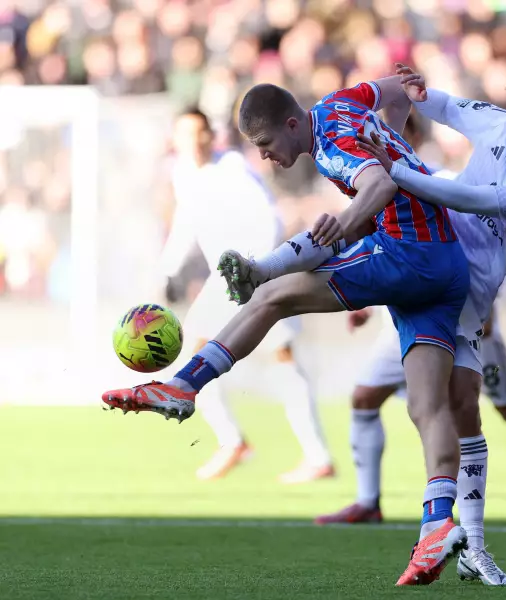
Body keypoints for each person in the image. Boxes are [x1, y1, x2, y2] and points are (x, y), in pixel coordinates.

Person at [102, 76, 472, 586]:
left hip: (408, 252)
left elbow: (379, 188)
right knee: (426, 405)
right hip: (447, 263)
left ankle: (183, 385)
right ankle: (437, 525)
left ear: (294, 124)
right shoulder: (345, 101)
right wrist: (390, 140)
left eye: (268, 145)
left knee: (272, 298)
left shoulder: (330, 146)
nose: (267, 158)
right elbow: (397, 87)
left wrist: (355, 211)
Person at [320, 62, 506, 585]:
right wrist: (420, 91)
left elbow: (474, 199)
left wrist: (399, 174)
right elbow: (449, 109)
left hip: (467, 291)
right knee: (419, 402)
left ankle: (479, 540)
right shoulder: (505, 125)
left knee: (468, 408)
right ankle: (442, 531)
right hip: (425, 263)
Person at [162, 108, 334, 484]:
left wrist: (260, 269)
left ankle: (294, 452)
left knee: (280, 358)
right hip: (226, 280)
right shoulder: (183, 174)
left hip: (254, 273)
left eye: (198, 133)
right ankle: (243, 442)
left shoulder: (233, 169)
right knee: (204, 347)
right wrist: (167, 271)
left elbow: (268, 217)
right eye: (184, 134)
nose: (192, 142)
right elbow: (185, 226)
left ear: (211, 136)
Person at [315, 304, 506, 530]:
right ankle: (367, 502)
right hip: (404, 327)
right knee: (365, 398)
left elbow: (481, 262)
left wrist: (487, 312)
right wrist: (369, 304)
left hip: (466, 329)